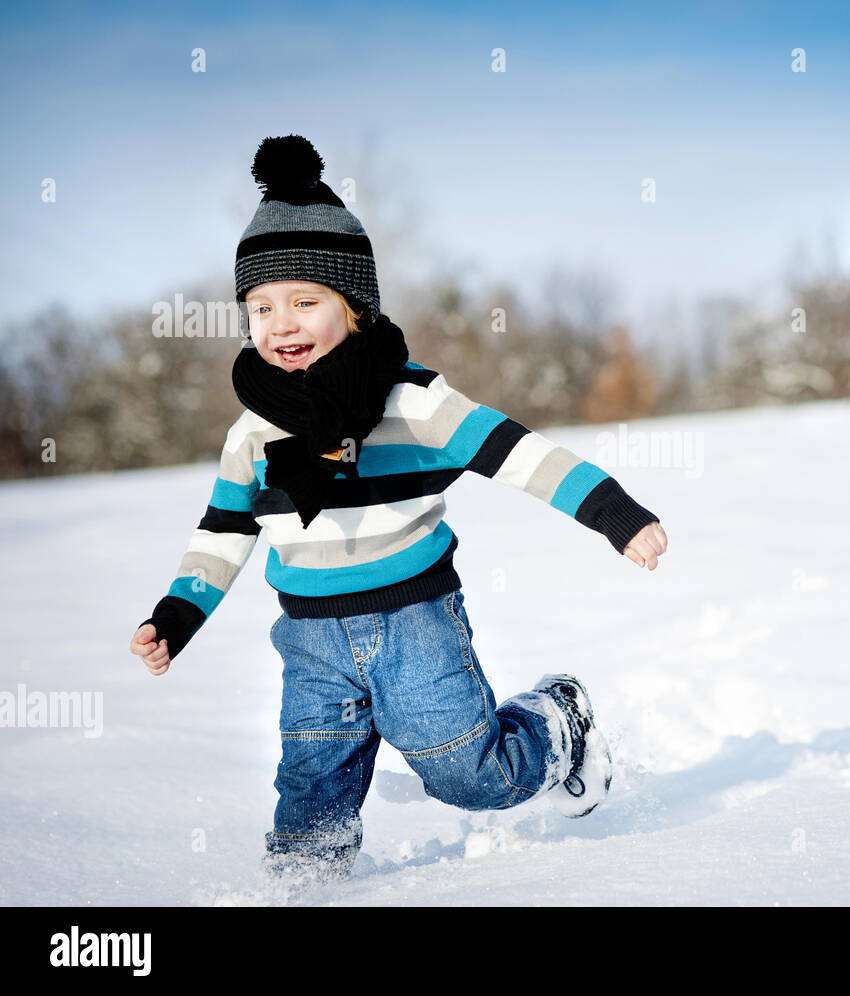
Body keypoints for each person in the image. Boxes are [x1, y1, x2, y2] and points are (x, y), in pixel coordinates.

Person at [127, 135, 668, 884]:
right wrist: (177, 615)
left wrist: (614, 512)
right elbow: (221, 533)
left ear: (354, 307)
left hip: (416, 623)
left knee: (474, 778)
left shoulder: (412, 403)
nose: (279, 323)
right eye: (260, 306)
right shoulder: (254, 430)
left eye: (304, 302)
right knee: (309, 799)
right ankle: (305, 891)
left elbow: (519, 452)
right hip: (310, 639)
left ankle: (558, 721)